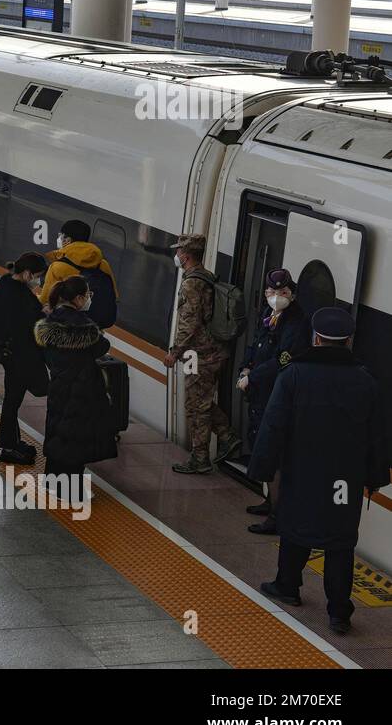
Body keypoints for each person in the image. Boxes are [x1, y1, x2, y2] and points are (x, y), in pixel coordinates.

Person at [251, 308, 388, 634]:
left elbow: (273, 426)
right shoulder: (366, 382)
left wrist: (262, 467)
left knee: (294, 527)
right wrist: (376, 477)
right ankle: (339, 612)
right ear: (348, 340)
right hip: (344, 481)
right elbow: (379, 436)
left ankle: (287, 586)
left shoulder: (294, 376)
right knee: (339, 540)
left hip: (302, 472)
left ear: (315, 337)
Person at [238, 268, 310, 534]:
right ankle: (270, 501)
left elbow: (284, 358)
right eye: (271, 293)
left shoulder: (298, 322)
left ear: (291, 293)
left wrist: (253, 376)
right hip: (261, 391)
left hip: (277, 394)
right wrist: (245, 368)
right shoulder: (270, 314)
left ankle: (278, 517)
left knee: (275, 457)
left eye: (282, 293)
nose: (276, 297)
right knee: (263, 447)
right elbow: (256, 345)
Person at [33, 275, 116, 502]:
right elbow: (101, 346)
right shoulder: (83, 325)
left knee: (58, 431)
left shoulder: (49, 322)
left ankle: (52, 481)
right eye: (87, 295)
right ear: (78, 299)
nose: (89, 299)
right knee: (76, 439)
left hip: (58, 384)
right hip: (81, 389)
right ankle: (72, 491)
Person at [165, 234, 236, 474]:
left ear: (185, 255)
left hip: (200, 354)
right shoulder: (205, 275)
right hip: (211, 351)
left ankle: (205, 454)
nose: (176, 256)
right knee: (198, 402)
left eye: (178, 252)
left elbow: (189, 322)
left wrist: (175, 352)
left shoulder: (191, 283)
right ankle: (222, 440)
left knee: (197, 405)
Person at [0, 252, 49, 465]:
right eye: (37, 276)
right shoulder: (17, 295)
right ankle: (8, 447)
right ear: (26, 273)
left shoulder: (7, 283)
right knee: (21, 397)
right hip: (19, 355)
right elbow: (28, 325)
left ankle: (11, 443)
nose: (38, 281)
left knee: (12, 400)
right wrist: (44, 315)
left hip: (11, 354)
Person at [39, 219, 118, 328]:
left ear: (67, 240)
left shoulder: (58, 266)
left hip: (71, 324)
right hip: (102, 320)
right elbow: (114, 295)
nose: (58, 239)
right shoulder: (103, 264)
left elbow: (45, 300)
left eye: (60, 236)